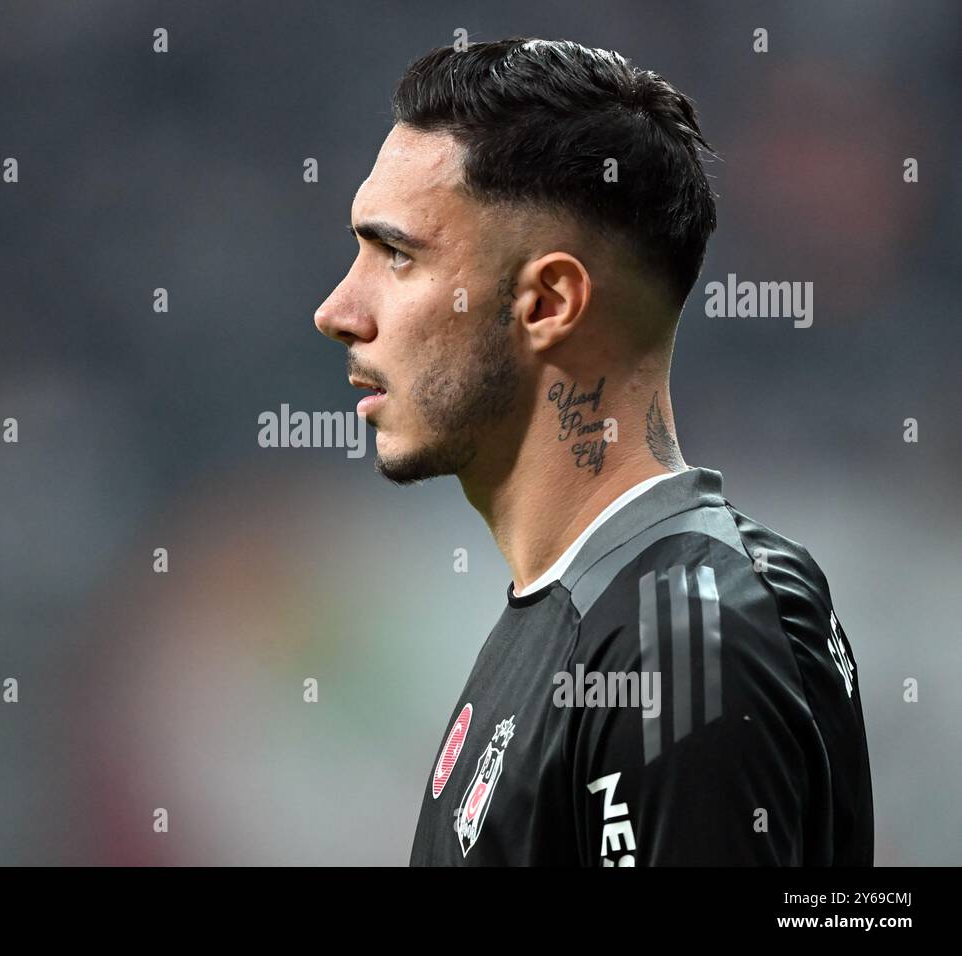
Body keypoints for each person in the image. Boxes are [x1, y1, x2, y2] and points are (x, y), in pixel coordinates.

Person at [312, 38, 873, 865]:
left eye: (397, 255)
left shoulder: (684, 637)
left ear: (548, 301)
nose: (337, 310)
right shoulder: (582, 613)